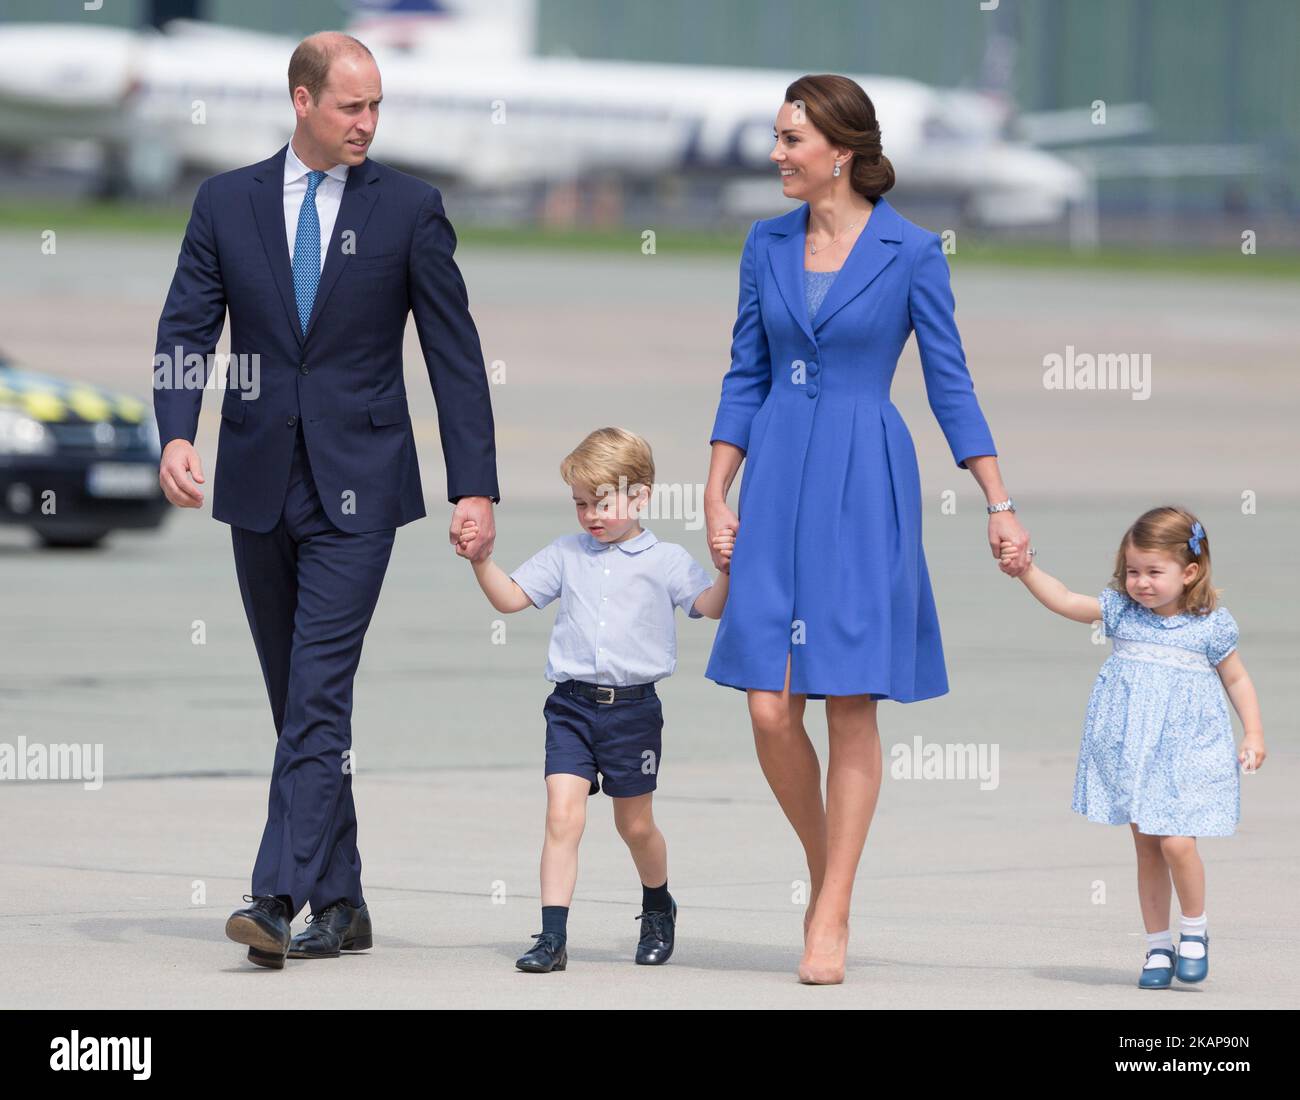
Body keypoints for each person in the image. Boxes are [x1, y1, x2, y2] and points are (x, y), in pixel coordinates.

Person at [152, 32, 499, 969]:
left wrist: (474, 485)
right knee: (296, 702)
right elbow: (187, 325)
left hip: (364, 489)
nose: (369, 123)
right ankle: (342, 900)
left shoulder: (410, 209)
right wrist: (177, 430)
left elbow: (455, 357)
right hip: (259, 484)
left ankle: (275, 895)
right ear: (302, 101)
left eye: (377, 106)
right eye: (353, 106)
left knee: (317, 692)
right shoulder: (226, 202)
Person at [702, 74, 1032, 984]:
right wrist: (716, 487)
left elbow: (949, 383)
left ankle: (831, 913)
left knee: (848, 702)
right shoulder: (764, 243)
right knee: (770, 705)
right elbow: (744, 372)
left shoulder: (913, 252)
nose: (775, 154)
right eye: (777, 136)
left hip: (863, 478)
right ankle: (828, 875)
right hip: (774, 479)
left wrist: (997, 501)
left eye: (791, 140)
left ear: (839, 152)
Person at [457, 428, 733, 972]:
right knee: (563, 817)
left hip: (634, 713)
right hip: (570, 708)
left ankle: (658, 904)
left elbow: (711, 605)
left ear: (641, 496)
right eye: (581, 503)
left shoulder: (667, 559)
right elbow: (512, 598)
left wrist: (728, 569)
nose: (590, 515)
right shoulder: (566, 553)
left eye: (603, 502)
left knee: (635, 826)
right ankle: (553, 937)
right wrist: (479, 562)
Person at [1002, 506, 1265, 988]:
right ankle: (1157, 948)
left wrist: (1253, 732)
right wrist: (1026, 570)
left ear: (1189, 573)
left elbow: (1238, 678)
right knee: (1147, 848)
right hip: (1133, 751)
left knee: (1177, 843)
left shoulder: (1210, 625)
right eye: (1132, 571)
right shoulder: (1121, 611)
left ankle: (1194, 929)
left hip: (1187, 751)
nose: (1141, 583)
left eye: (1153, 572)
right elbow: (1063, 599)